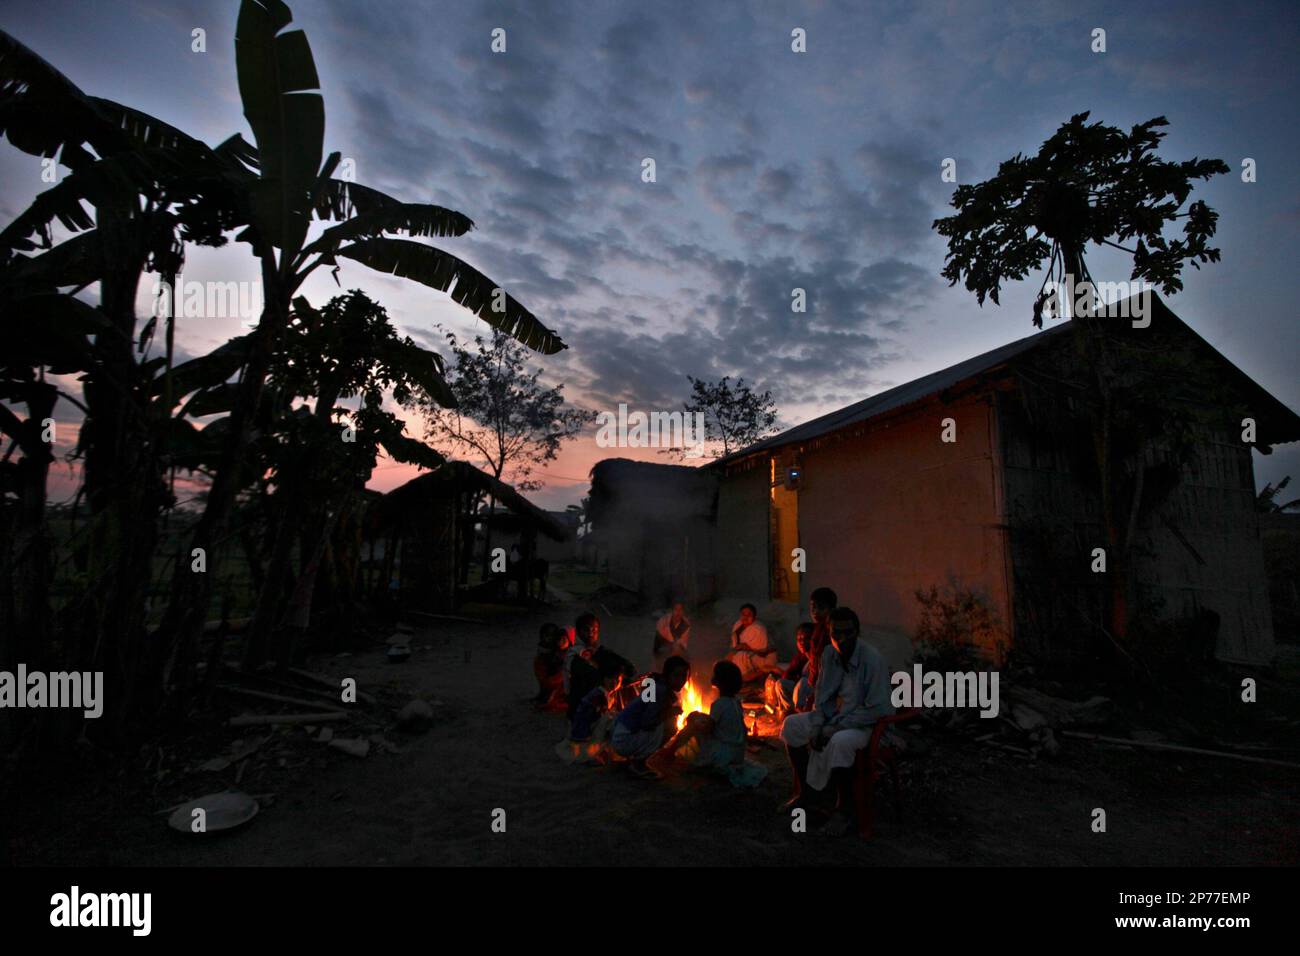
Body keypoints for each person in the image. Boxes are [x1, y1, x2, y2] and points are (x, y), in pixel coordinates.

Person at [778, 606, 894, 836]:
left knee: (840, 741)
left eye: (847, 633)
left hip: (863, 723)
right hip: (832, 717)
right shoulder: (830, 654)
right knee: (792, 725)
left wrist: (833, 729)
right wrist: (819, 725)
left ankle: (844, 809)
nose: (842, 639)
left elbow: (879, 708)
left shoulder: (871, 660)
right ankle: (807, 793)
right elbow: (822, 695)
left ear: (857, 632)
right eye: (835, 634)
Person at [663, 660, 768, 788]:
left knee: (692, 725)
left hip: (724, 755)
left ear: (719, 680)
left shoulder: (720, 704)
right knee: (696, 718)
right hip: (737, 754)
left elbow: (708, 728)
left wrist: (692, 722)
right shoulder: (735, 702)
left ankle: (670, 752)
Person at [612, 655, 690, 779]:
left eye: (684, 676)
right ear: (667, 675)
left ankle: (635, 758)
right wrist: (670, 713)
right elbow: (647, 722)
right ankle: (639, 763)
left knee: (667, 722)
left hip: (620, 736)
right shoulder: (660, 691)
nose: (681, 680)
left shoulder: (658, 686)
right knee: (670, 726)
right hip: (624, 740)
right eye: (676, 676)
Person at [564, 612, 635, 720]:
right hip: (580, 705)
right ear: (578, 632)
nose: (591, 634)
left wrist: (622, 672)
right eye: (586, 630)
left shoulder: (599, 651)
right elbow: (591, 675)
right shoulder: (575, 655)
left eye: (594, 630)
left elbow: (628, 667)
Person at [555, 658, 623, 765]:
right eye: (610, 678)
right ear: (603, 678)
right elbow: (588, 719)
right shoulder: (598, 696)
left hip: (590, 728)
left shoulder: (607, 693)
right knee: (613, 720)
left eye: (617, 679)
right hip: (585, 734)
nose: (614, 683)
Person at [766, 621, 815, 715]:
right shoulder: (801, 656)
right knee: (780, 683)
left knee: (803, 683)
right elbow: (788, 674)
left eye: (806, 638)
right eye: (799, 639)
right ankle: (790, 711)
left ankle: (800, 714)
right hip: (800, 692)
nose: (802, 642)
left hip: (813, 693)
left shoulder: (818, 657)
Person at [725, 603, 777, 682]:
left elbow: (763, 652)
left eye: (749, 615)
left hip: (764, 658)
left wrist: (747, 648)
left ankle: (743, 680)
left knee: (740, 656)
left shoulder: (758, 629)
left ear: (754, 617)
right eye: (743, 614)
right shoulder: (738, 624)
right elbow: (734, 645)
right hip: (744, 652)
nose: (745, 617)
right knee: (727, 660)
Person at [803, 587, 838, 694]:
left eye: (821, 608)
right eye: (813, 607)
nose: (815, 612)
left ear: (831, 609)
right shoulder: (818, 628)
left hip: (826, 683)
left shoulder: (830, 630)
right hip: (816, 680)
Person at [533, 622, 571, 711]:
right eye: (546, 636)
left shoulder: (565, 654)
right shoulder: (544, 656)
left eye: (552, 636)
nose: (549, 639)